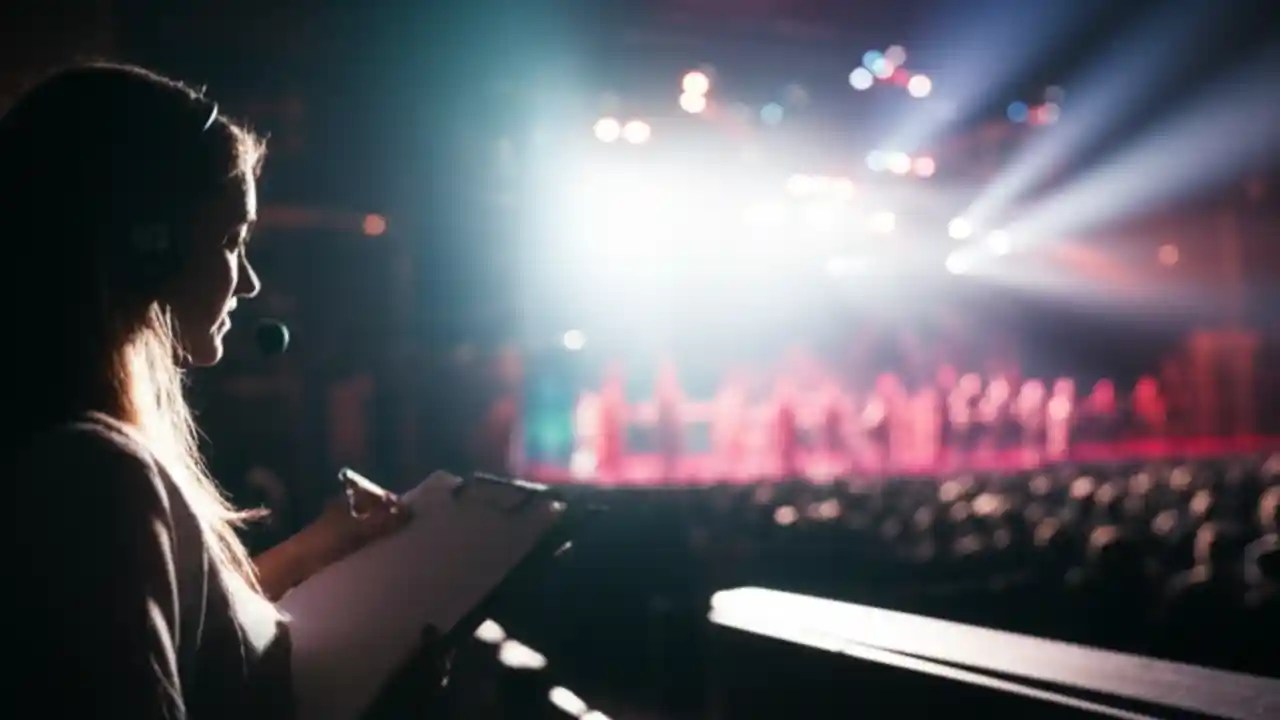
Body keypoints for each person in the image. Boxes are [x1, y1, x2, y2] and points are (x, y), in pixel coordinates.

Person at [5, 63, 413, 718]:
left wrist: (314, 551)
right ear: (147, 245)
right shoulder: (94, 476)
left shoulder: (73, 460)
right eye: (230, 240)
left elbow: (175, 623)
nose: (248, 282)